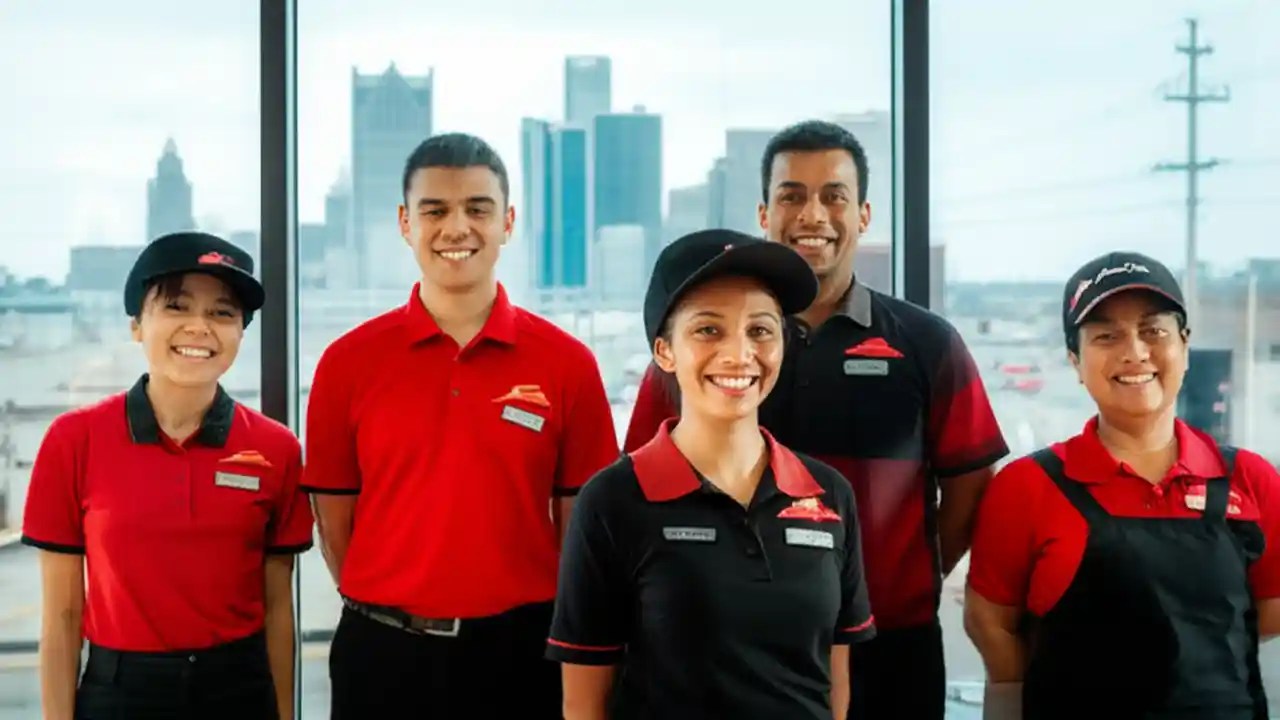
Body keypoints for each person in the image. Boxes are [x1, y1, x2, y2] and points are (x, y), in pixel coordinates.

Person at [623, 120, 1009, 720]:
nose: (813, 214)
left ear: (864, 215)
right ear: (763, 212)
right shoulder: (704, 352)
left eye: (834, 195)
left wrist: (908, 576)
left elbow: (970, 488)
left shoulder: (928, 344)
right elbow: (641, 483)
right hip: (719, 646)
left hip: (891, 644)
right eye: (791, 195)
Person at [302, 132, 621, 718]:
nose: (457, 228)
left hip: (522, 655)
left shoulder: (566, 364)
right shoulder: (347, 363)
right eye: (435, 210)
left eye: (478, 208)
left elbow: (581, 529)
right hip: (384, 656)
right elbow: (335, 522)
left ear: (508, 222)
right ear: (405, 222)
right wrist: (398, 602)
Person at [548, 228, 876, 719]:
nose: (739, 354)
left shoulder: (829, 495)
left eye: (760, 330)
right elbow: (584, 702)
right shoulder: (613, 501)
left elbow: (835, 680)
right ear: (665, 351)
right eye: (708, 330)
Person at [965, 251, 1280, 719]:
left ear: (1184, 346)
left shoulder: (1250, 479)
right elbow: (990, 622)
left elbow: (1268, 616)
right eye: (1107, 336)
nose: (1134, 352)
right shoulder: (1027, 487)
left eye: (1153, 331)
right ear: (1074, 360)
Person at [22, 231, 314, 720]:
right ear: (138, 324)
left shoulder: (276, 448)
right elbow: (63, 614)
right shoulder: (74, 440)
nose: (200, 327)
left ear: (241, 332)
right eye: (176, 306)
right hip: (120, 693)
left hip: (239, 690)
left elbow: (278, 609)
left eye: (223, 313)